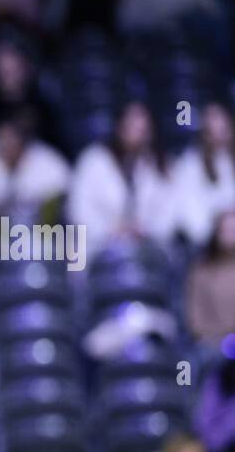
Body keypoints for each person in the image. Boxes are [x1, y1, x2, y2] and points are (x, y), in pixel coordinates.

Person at [66, 100, 175, 261]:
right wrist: (111, 231)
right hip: (97, 250)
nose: (136, 135)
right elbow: (78, 210)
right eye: (130, 127)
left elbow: (170, 211)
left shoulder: (161, 165)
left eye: (142, 130)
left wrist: (145, 230)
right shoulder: (93, 160)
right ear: (119, 127)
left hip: (148, 251)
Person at [171, 102, 235, 248]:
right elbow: (188, 213)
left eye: (223, 130)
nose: (218, 137)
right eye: (211, 132)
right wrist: (217, 236)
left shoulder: (230, 161)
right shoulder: (190, 164)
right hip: (207, 244)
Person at [185, 209, 235, 350]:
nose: (231, 235)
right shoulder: (201, 271)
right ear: (216, 233)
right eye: (227, 230)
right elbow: (196, 322)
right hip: (213, 345)